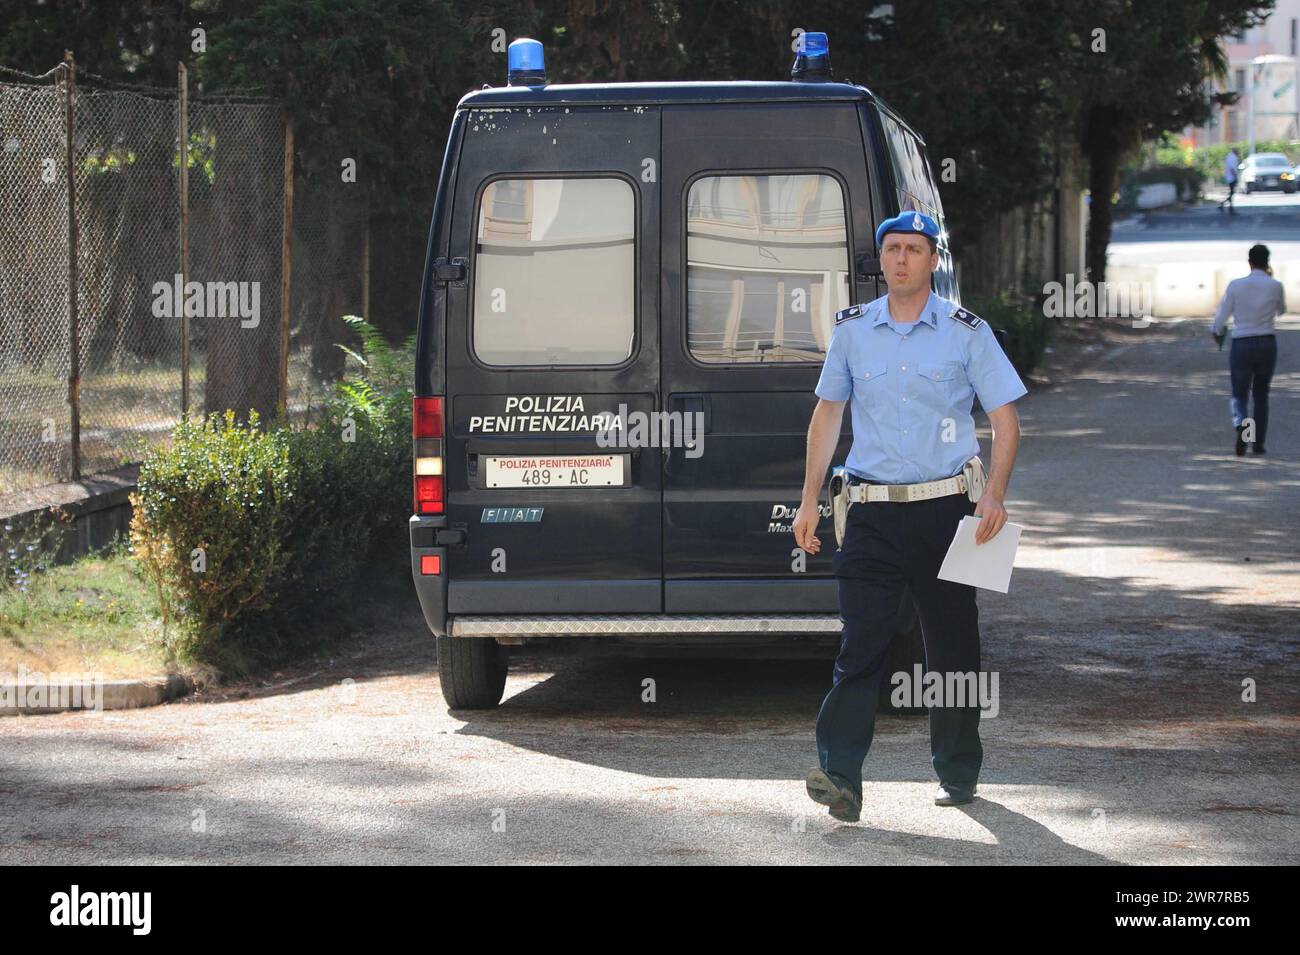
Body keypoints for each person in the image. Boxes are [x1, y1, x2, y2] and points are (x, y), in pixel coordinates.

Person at [793, 210, 1027, 823]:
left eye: (914, 250)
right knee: (861, 643)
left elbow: (1005, 421)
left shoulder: (965, 331)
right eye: (892, 249)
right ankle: (840, 775)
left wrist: (995, 494)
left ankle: (957, 770)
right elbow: (827, 418)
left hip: (950, 512)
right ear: (883, 259)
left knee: (953, 647)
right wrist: (810, 499)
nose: (901, 259)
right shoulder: (852, 331)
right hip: (870, 512)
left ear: (932, 261)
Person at [1212, 243, 1285, 455]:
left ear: (1249, 261)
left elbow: (1221, 316)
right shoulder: (1275, 285)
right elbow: (1281, 310)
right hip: (1266, 342)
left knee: (1239, 394)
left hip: (1242, 343)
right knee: (1261, 394)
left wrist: (1216, 332)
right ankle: (1258, 444)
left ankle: (1244, 427)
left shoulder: (1235, 285)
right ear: (1267, 261)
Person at [1219, 148, 1240, 215]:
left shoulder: (1230, 157)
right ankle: (1229, 206)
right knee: (1232, 192)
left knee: (1231, 192)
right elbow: (1232, 168)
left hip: (1229, 176)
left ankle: (1226, 204)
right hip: (1231, 177)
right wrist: (1235, 176)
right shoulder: (1232, 157)